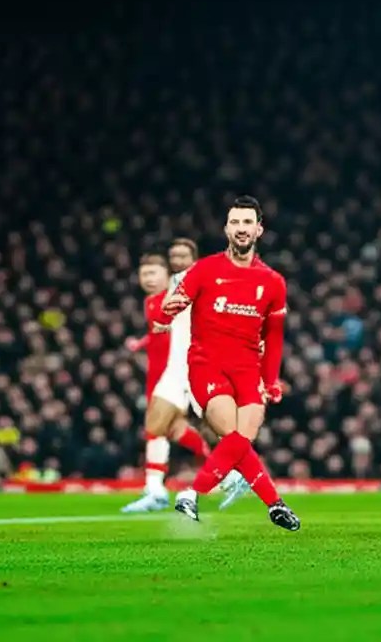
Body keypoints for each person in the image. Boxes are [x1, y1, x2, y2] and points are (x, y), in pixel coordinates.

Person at [159, 195, 300, 531]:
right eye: (235, 222)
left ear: (259, 229)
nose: (241, 228)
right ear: (226, 229)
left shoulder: (273, 282)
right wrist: (167, 310)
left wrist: (272, 380)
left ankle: (275, 505)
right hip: (207, 365)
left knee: (239, 442)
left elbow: (274, 338)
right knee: (234, 436)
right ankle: (193, 494)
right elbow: (172, 307)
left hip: (249, 370)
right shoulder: (205, 269)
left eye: (247, 222)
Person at [120, 244, 222, 512]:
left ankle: (155, 489)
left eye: (154, 273)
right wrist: (140, 343)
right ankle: (220, 469)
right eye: (144, 274)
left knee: (154, 427)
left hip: (177, 373)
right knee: (174, 429)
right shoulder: (150, 302)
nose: (148, 279)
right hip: (159, 374)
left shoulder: (178, 297)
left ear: (168, 276)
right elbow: (158, 332)